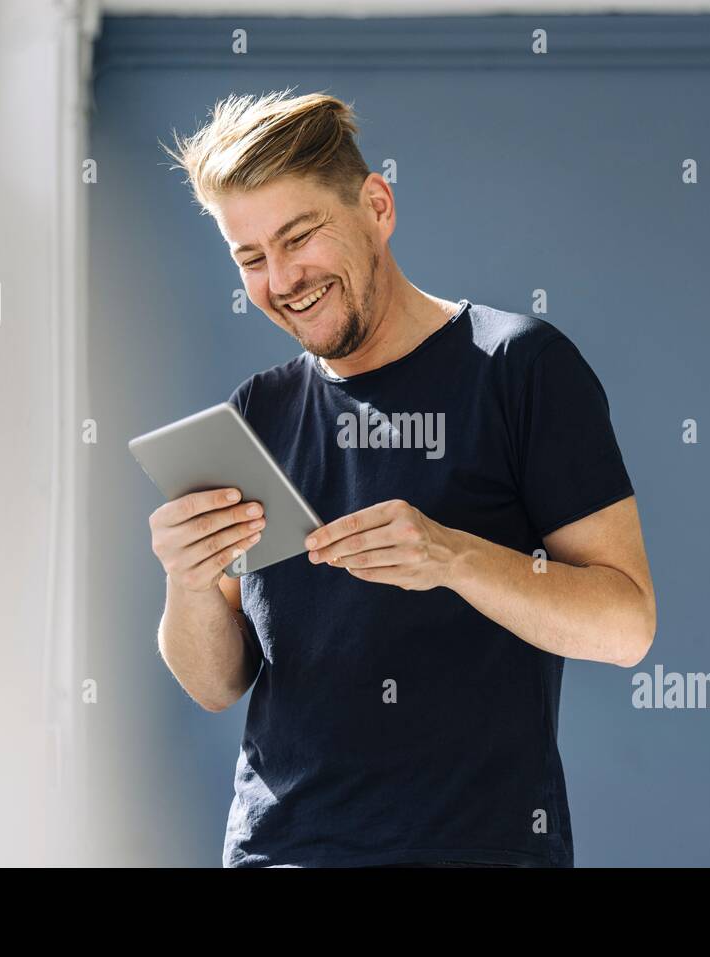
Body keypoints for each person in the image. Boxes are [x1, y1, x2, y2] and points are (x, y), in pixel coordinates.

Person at [148, 89, 657, 868]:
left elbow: (626, 625)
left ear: (376, 206)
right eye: (250, 258)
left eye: (299, 237)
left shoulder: (518, 368)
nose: (281, 279)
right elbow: (218, 682)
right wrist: (186, 580)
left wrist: (453, 557)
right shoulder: (257, 411)